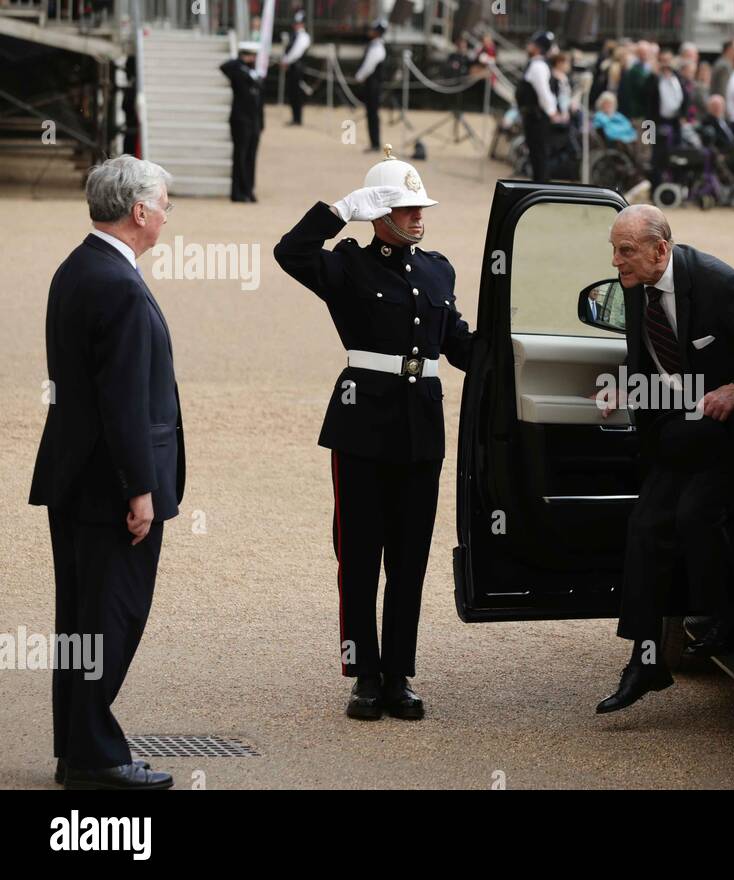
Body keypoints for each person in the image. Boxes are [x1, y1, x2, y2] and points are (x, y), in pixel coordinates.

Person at [273, 147, 474, 721]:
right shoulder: (347, 266)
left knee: (409, 558)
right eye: (407, 207)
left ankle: (398, 673)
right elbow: (290, 251)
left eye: (419, 207)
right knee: (359, 554)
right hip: (362, 425)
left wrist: (513, 358)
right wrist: (341, 210)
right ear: (380, 214)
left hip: (421, 427)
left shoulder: (438, 269)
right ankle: (363, 673)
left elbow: (457, 343)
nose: (419, 216)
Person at [593, 205, 734, 714]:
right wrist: (623, 386)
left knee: (694, 515)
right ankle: (647, 659)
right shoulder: (637, 285)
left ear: (661, 250)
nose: (616, 262)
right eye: (614, 250)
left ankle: (723, 617)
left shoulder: (716, 282)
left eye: (626, 251)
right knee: (644, 527)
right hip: (674, 429)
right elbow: (647, 358)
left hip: (725, 432)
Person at [30, 155, 182, 789]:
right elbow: (121, 399)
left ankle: (78, 746)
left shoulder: (79, 265)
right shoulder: (116, 282)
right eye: (164, 204)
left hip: (75, 473)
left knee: (82, 621)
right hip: (108, 485)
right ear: (139, 211)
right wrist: (140, 490)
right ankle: (95, 755)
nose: (168, 214)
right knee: (110, 620)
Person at [220, 42, 264, 202]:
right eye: (249, 55)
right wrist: (240, 60)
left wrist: (261, 123)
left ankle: (248, 190)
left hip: (254, 120)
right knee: (240, 156)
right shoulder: (237, 70)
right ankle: (238, 192)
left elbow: (260, 99)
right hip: (240, 119)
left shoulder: (254, 72)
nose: (253, 58)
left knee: (251, 157)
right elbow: (224, 66)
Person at [519, 30, 560, 182]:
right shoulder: (537, 64)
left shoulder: (538, 65)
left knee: (540, 153)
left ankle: (541, 185)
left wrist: (551, 112)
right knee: (536, 152)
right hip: (535, 116)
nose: (529, 46)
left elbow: (543, 92)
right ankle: (539, 183)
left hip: (538, 117)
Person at [644, 49, 687, 188]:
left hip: (674, 122)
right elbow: (646, 96)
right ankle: (655, 185)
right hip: (653, 122)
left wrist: (683, 115)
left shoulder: (678, 77)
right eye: (663, 61)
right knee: (654, 155)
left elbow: (686, 97)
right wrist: (654, 74)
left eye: (668, 61)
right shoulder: (653, 78)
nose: (666, 64)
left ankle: (676, 184)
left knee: (676, 153)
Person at [356, 20, 388, 152]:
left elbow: (369, 66)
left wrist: (360, 76)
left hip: (373, 85)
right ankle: (373, 142)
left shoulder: (377, 48)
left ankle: (375, 143)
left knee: (373, 114)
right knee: (370, 113)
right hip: (371, 84)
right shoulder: (374, 46)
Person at [281, 9, 311, 126]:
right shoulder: (293, 35)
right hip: (292, 68)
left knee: (297, 94)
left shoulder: (304, 36)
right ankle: (295, 117)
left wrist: (286, 61)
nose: (296, 25)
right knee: (292, 93)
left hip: (298, 68)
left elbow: (296, 53)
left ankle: (298, 118)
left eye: (298, 23)